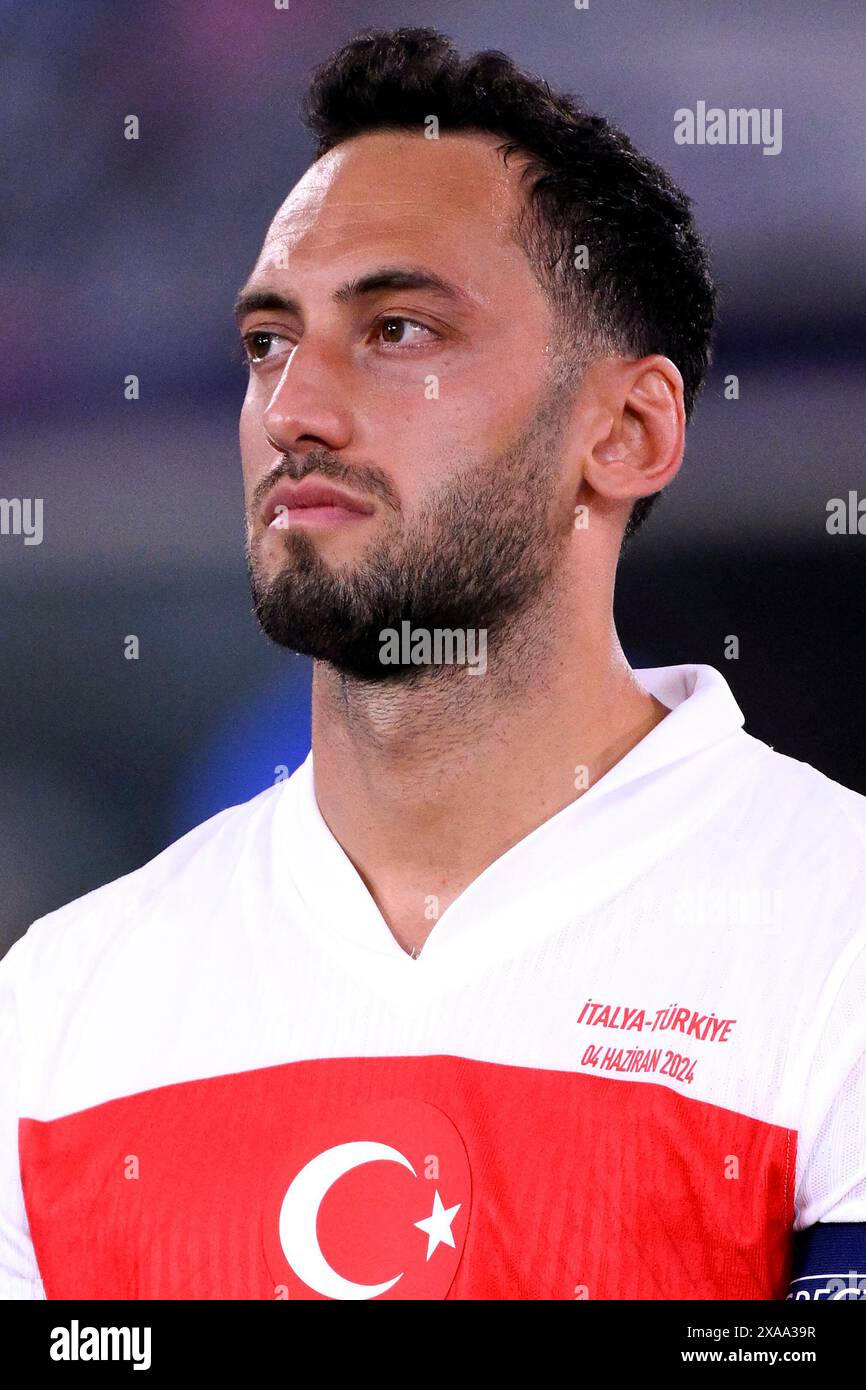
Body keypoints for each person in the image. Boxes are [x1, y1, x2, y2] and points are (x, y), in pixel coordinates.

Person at [2, 27, 864, 1302]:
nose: (295, 407)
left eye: (398, 329)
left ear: (627, 431)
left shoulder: (833, 929)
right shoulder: (63, 1006)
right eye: (265, 342)